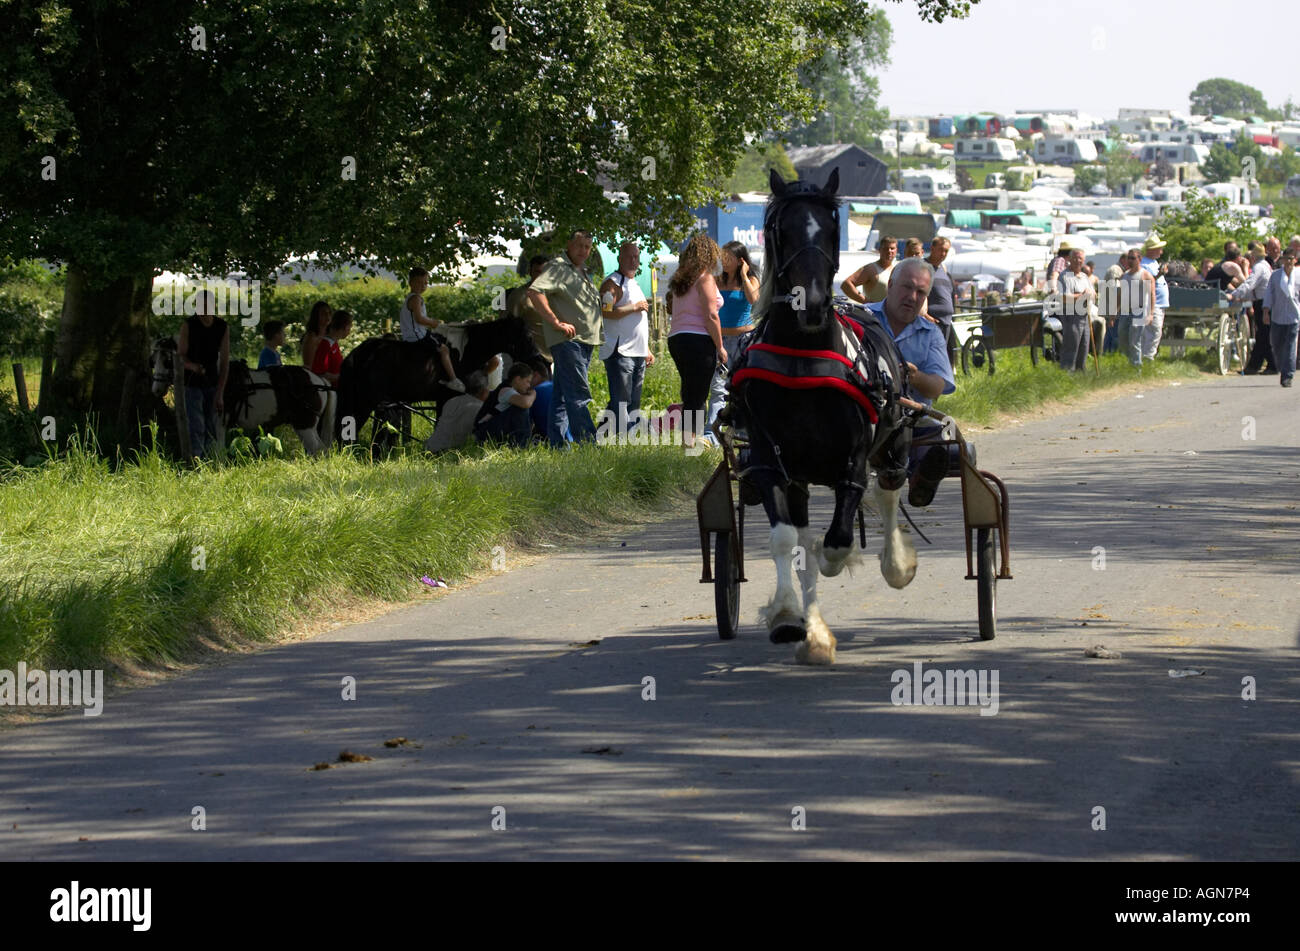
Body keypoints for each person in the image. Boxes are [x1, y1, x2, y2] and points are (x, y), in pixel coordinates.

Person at [863, 257, 956, 507]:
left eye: (920, 292)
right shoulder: (861, 320)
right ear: (891, 285)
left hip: (910, 418)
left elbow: (938, 386)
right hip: (862, 416)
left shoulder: (931, 334)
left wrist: (913, 375)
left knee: (936, 435)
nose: (912, 297)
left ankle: (920, 480)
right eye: (907, 287)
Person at [527, 230, 602, 447]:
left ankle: (557, 444)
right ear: (569, 244)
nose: (584, 251)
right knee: (578, 393)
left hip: (584, 341)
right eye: (579, 245)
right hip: (569, 341)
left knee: (561, 395)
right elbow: (534, 292)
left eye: (588, 247)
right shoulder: (558, 267)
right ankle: (588, 443)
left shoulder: (581, 270)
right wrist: (555, 322)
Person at [666, 233, 725, 450]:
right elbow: (711, 315)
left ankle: (687, 442)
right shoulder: (705, 278)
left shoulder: (681, 280)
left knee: (690, 392)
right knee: (698, 396)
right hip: (698, 340)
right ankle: (690, 447)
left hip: (677, 339)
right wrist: (720, 346)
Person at [599, 241, 654, 436]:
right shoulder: (613, 283)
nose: (633, 260)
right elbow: (605, 312)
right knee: (622, 400)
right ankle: (622, 438)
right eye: (629, 256)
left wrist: (646, 348)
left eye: (636, 257)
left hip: (637, 351)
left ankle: (604, 434)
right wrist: (634, 307)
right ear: (619, 258)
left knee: (632, 400)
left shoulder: (634, 284)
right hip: (620, 351)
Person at [707, 240, 760, 431]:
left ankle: (742, 428)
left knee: (742, 386)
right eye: (723, 256)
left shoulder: (751, 279)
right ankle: (712, 431)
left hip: (743, 342)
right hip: (719, 341)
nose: (724, 260)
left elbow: (754, 299)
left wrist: (744, 275)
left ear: (740, 260)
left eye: (728, 257)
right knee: (718, 388)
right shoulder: (717, 280)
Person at [177, 290, 229, 459]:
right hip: (192, 383)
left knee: (210, 425)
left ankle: (209, 459)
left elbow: (224, 362)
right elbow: (180, 356)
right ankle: (195, 460)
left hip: (212, 382)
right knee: (196, 424)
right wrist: (192, 366)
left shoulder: (222, 327)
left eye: (207, 306)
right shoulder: (188, 325)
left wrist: (220, 393)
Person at [400, 266, 465, 392]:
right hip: (418, 336)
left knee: (441, 340)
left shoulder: (410, 298)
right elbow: (419, 319)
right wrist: (434, 323)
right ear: (411, 283)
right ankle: (453, 380)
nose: (423, 286)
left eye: (425, 283)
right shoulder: (416, 299)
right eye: (419, 282)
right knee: (444, 349)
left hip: (413, 334)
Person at [1233, 242, 1276, 375]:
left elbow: (1250, 284)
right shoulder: (1266, 266)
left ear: (1253, 257)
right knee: (1264, 335)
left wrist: (1234, 294)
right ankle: (1262, 365)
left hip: (1263, 303)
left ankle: (1260, 365)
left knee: (1263, 335)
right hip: (1264, 301)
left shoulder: (1258, 268)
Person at [473, 361, 536, 447]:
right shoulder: (505, 390)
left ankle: (520, 443)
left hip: (490, 430)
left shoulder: (512, 391)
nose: (529, 386)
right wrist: (533, 394)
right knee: (521, 409)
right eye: (527, 381)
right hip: (482, 432)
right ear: (517, 379)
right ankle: (522, 445)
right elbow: (525, 403)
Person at [1262, 248, 1300, 387]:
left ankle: (1287, 376)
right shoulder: (1276, 275)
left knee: (1290, 346)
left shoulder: (1299, 275)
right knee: (1277, 346)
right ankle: (1282, 368)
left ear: (1295, 260)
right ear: (1282, 260)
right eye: (1286, 259)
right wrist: (1266, 311)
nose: (1288, 262)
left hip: (1294, 316)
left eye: (1291, 259)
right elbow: (1269, 294)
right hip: (1277, 316)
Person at [425, 372, 490, 453]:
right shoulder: (481, 409)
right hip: (451, 453)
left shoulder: (451, 401)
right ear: (484, 390)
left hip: (430, 448)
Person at [1053, 248, 1095, 371]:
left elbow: (1093, 294)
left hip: (1085, 316)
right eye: (1075, 258)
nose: (1078, 261)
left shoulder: (1084, 277)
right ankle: (1067, 375)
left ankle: (1080, 375)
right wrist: (1081, 295)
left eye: (1080, 258)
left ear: (1084, 260)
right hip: (1071, 316)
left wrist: (1090, 295)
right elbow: (1064, 297)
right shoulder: (1065, 276)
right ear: (1070, 260)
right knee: (1071, 347)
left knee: (1084, 347)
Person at [507, 255, 553, 363]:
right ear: (530, 272)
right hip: (531, 356)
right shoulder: (519, 296)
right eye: (537, 271)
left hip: (556, 354)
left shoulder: (556, 295)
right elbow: (508, 325)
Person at [923, 236, 956, 364]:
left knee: (942, 358)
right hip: (931, 322)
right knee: (931, 358)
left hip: (946, 322)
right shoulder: (923, 267)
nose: (943, 254)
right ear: (932, 248)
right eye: (941, 250)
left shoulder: (944, 270)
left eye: (946, 251)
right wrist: (926, 316)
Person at [840, 235, 897, 304]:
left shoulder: (897, 268)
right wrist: (866, 302)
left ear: (896, 250)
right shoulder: (870, 269)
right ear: (880, 250)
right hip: (873, 313)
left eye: (892, 248)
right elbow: (846, 285)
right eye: (885, 248)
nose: (889, 251)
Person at [1138, 235, 1168, 362]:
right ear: (1151, 250)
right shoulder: (1144, 264)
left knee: (1155, 332)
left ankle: (1147, 358)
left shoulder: (1153, 263)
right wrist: (1159, 274)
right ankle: (1147, 359)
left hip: (1159, 304)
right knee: (1153, 333)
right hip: (1151, 304)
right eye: (1158, 249)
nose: (1161, 251)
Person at [311, 309, 352, 386]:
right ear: (345, 327)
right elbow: (319, 373)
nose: (349, 331)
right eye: (350, 327)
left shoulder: (333, 343)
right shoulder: (325, 344)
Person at [1098, 264, 1124, 355]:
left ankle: (1106, 353)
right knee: (1114, 334)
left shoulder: (1116, 271)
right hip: (1112, 310)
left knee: (1109, 333)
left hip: (1110, 308)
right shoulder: (1115, 270)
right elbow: (1114, 290)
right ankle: (1112, 353)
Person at [301, 301, 331, 369]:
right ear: (316, 316)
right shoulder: (312, 337)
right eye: (323, 313)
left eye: (329, 313)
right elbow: (308, 364)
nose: (327, 316)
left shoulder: (328, 334)